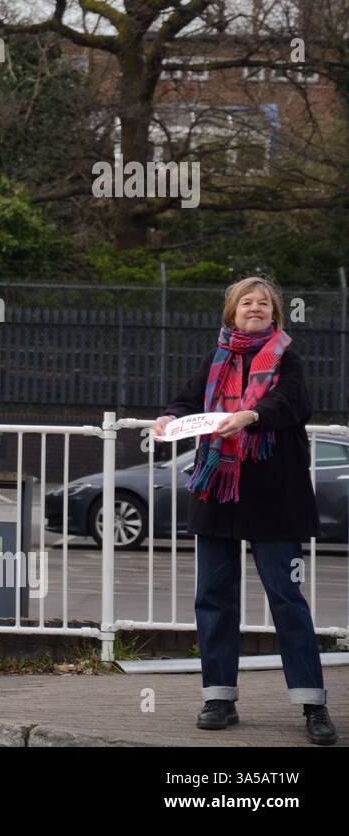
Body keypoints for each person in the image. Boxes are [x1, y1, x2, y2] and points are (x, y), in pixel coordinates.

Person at [153, 276, 337, 744]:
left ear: (274, 314)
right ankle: (219, 698)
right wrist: (170, 418)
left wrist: (251, 415)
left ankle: (313, 704)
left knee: (287, 599)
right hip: (218, 492)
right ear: (231, 313)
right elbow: (188, 400)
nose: (254, 308)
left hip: (275, 496)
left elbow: (293, 404)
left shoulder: (286, 357)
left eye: (263, 303)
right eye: (245, 303)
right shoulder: (217, 359)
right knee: (213, 598)